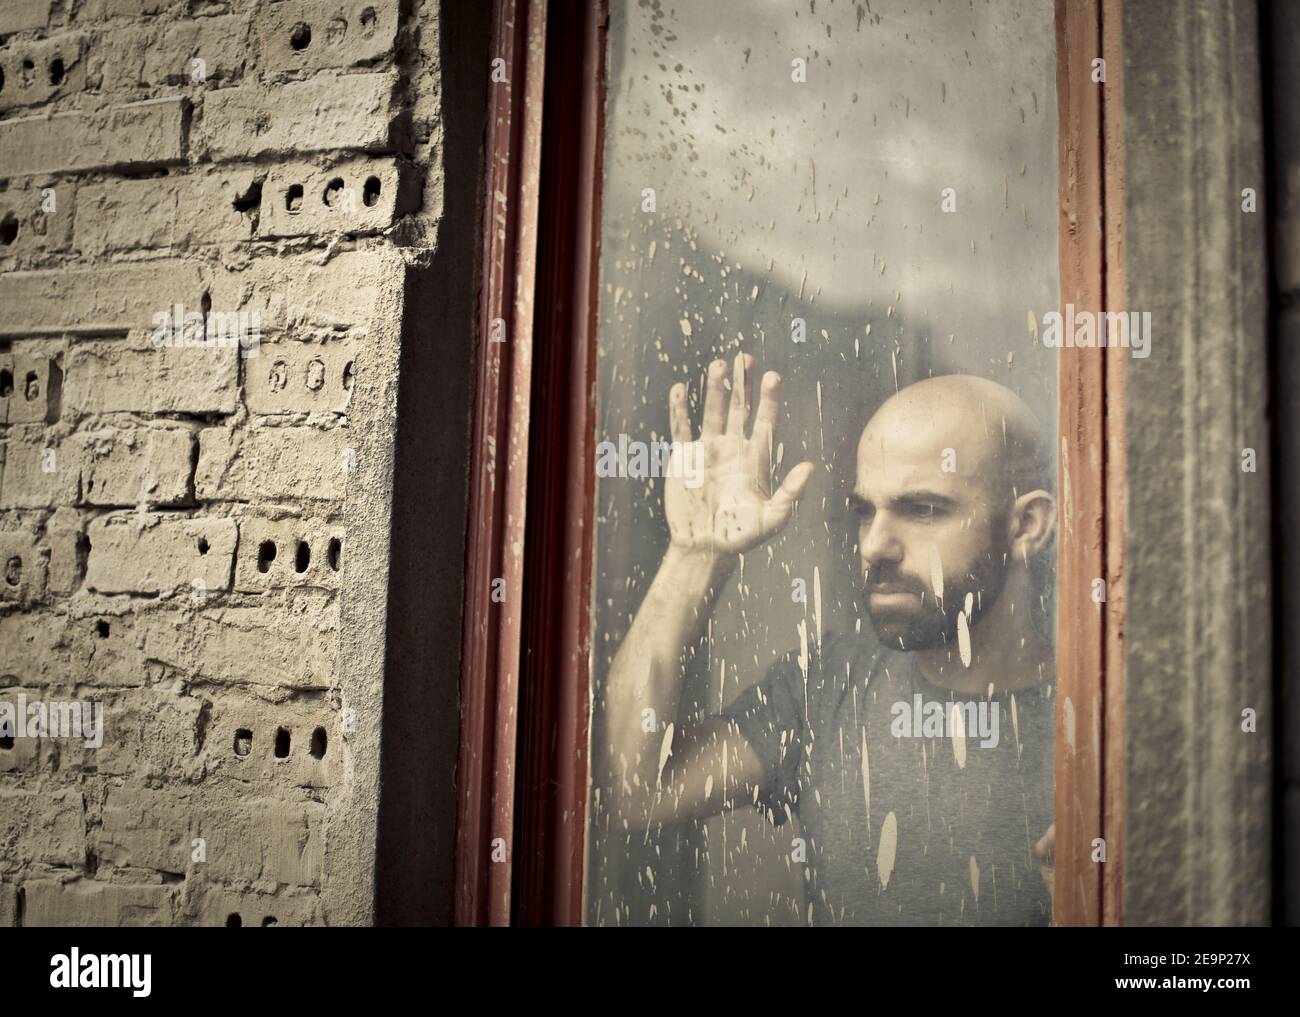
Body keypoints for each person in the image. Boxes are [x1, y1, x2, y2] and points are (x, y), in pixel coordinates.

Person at [596, 353, 1058, 925]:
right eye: (866, 511)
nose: (874, 545)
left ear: (1025, 527)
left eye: (921, 509)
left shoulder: (1102, 729)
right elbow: (631, 789)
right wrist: (695, 553)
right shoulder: (825, 686)